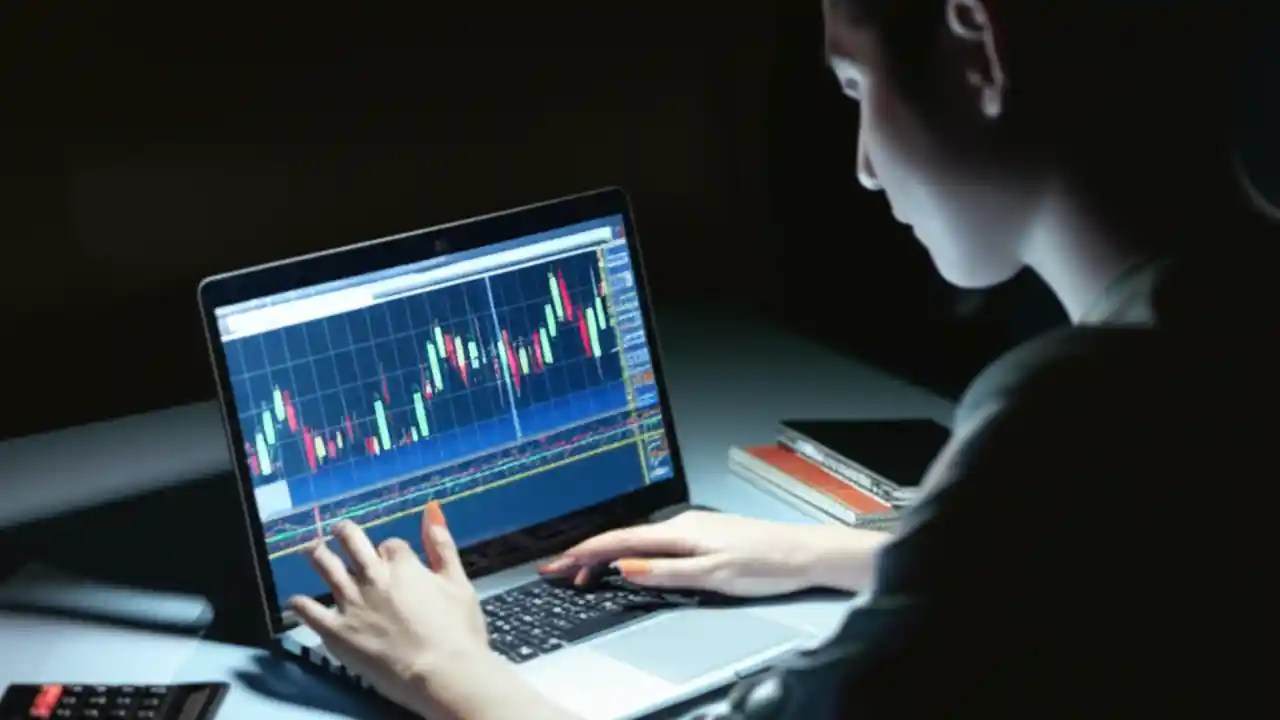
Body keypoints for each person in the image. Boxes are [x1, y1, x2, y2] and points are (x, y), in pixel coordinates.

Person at [288, 1, 1276, 717]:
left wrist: (443, 669)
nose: (857, 161)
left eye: (853, 85)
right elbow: (1151, 563)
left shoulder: (1079, 410)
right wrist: (845, 556)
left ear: (977, 44)